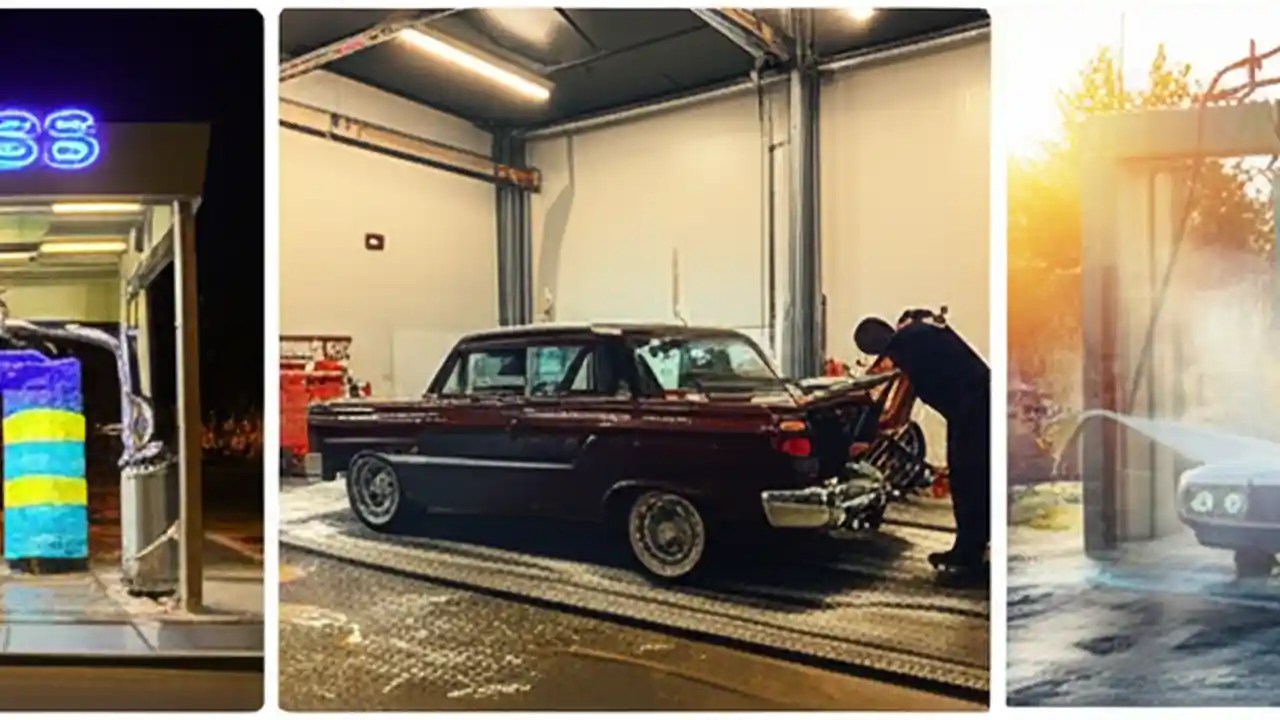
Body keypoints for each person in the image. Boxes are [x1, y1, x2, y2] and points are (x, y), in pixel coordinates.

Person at [853, 309, 990, 573]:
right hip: (976, 406)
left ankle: (968, 553)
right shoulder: (919, 334)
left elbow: (900, 406)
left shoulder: (906, 345)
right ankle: (974, 546)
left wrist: (869, 437)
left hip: (973, 411)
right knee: (975, 477)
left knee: (967, 478)